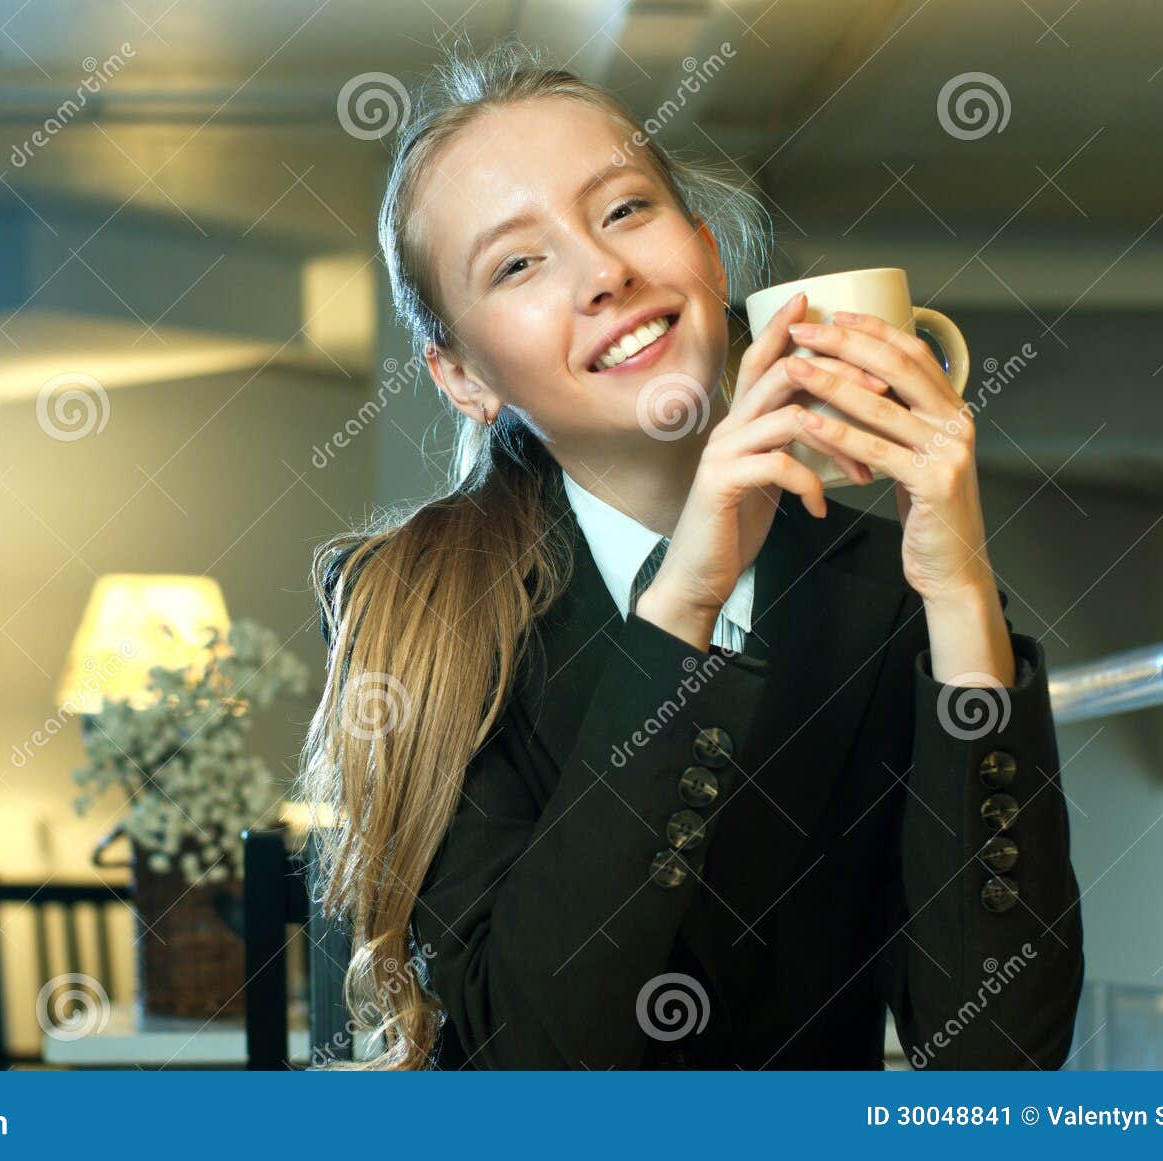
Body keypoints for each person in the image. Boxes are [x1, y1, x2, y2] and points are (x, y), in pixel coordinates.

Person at [298, 36, 1083, 1071]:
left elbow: (999, 1057)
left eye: (625, 209)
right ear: (461, 377)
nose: (606, 272)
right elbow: (527, 1064)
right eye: (519, 263)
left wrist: (958, 595)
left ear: (710, 256)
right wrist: (687, 601)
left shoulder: (880, 598)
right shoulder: (408, 606)